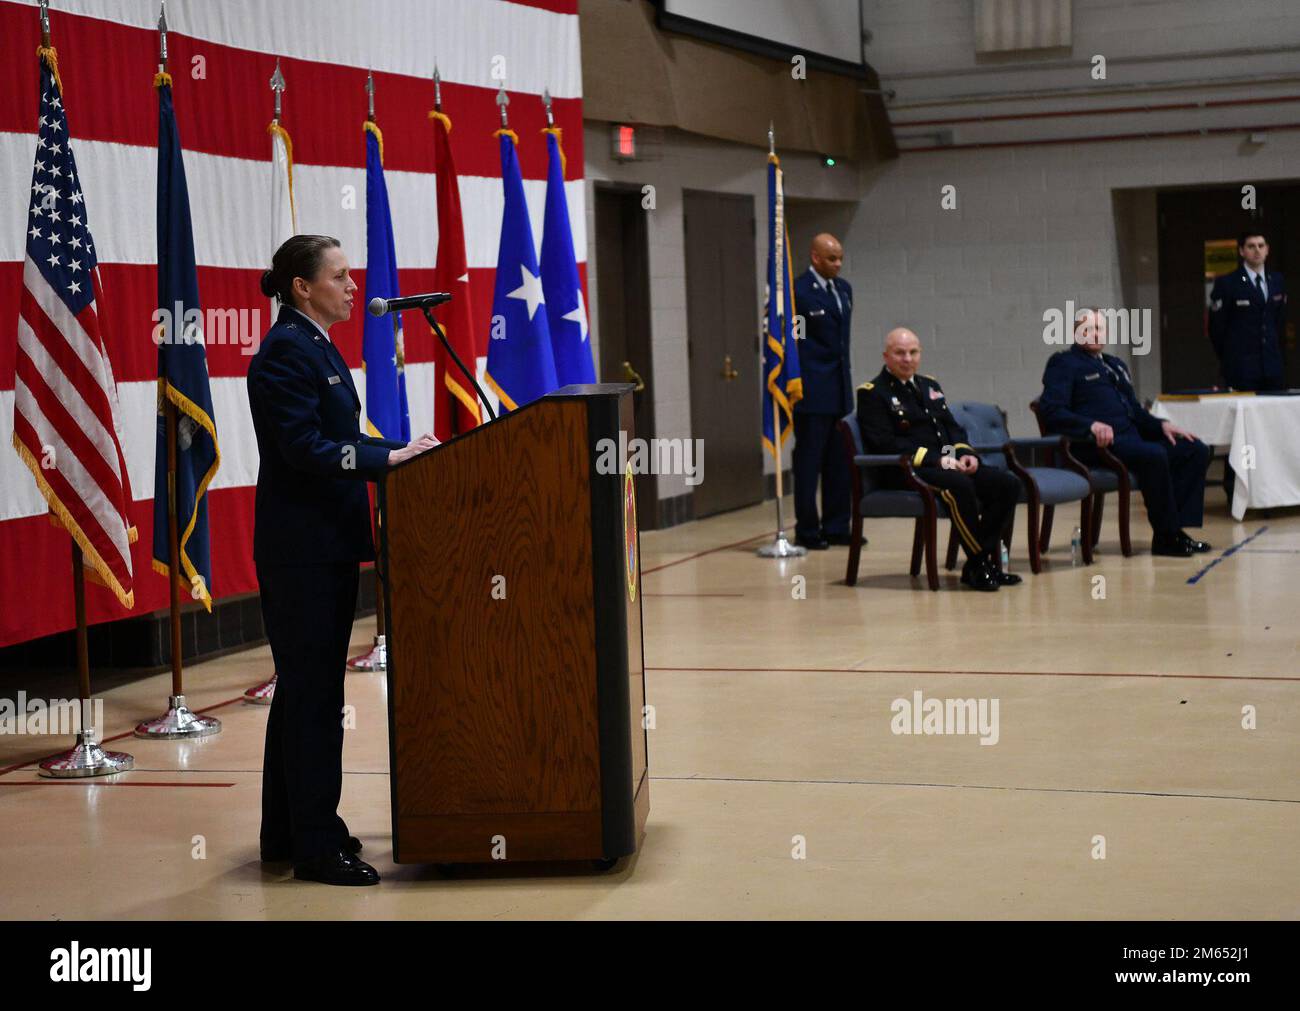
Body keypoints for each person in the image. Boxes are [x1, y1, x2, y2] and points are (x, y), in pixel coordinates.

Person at [248, 235, 436, 886]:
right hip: (300, 549)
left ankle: (288, 829)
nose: (354, 286)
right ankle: (316, 847)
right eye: (340, 275)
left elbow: (341, 437)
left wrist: (395, 451)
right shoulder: (284, 354)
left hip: (322, 544)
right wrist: (384, 461)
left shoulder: (317, 346)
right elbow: (303, 447)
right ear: (303, 287)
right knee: (315, 699)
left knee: (302, 693)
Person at [856, 327, 1022, 591]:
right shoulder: (872, 393)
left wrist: (965, 453)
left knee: (1006, 485)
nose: (907, 359)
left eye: (913, 352)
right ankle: (980, 565)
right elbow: (884, 442)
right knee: (959, 486)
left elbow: (952, 427)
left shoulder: (928, 385)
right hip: (908, 468)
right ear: (886, 356)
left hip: (948, 462)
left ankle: (976, 564)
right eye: (900, 353)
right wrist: (936, 460)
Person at [1039, 308, 1211, 558]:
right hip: (1095, 444)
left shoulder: (1114, 365)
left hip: (1131, 438)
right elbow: (1051, 410)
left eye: (1099, 329)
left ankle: (1176, 530)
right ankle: (1166, 538)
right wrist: (1090, 426)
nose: (1095, 334)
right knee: (1154, 454)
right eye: (1088, 329)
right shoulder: (1064, 363)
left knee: (1195, 449)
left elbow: (1135, 410)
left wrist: (1161, 425)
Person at [792, 233, 856, 550]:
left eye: (840, 257)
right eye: (832, 258)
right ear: (815, 258)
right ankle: (807, 528)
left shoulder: (843, 290)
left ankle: (837, 525)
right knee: (809, 463)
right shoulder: (799, 292)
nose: (838, 264)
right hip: (812, 393)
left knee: (839, 462)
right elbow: (794, 346)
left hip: (839, 390)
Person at [1208, 231, 1287, 392]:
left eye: (1261, 246)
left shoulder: (1277, 280)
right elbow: (1217, 328)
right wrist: (1231, 356)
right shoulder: (1228, 283)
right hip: (1241, 368)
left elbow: (1278, 321)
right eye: (1251, 246)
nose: (1257, 250)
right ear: (1242, 251)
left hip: (1271, 367)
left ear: (1267, 250)